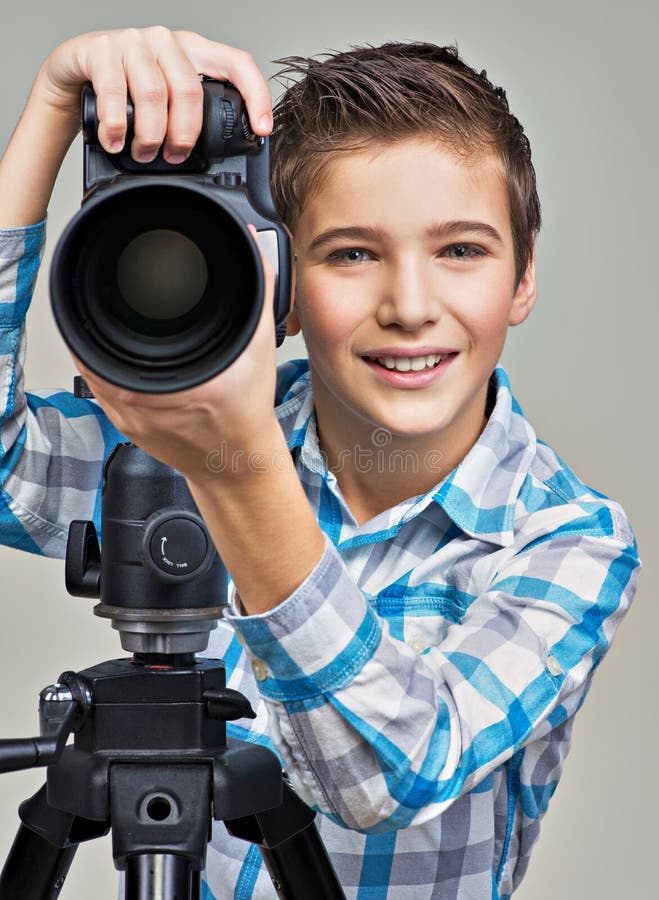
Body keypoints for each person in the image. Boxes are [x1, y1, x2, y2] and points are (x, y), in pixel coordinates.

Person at [0, 26, 640, 900]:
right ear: (283, 287)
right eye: (351, 253)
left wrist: (238, 473)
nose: (409, 306)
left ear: (523, 274)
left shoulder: (569, 540)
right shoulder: (200, 432)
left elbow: (390, 777)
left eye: (460, 250)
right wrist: (45, 114)